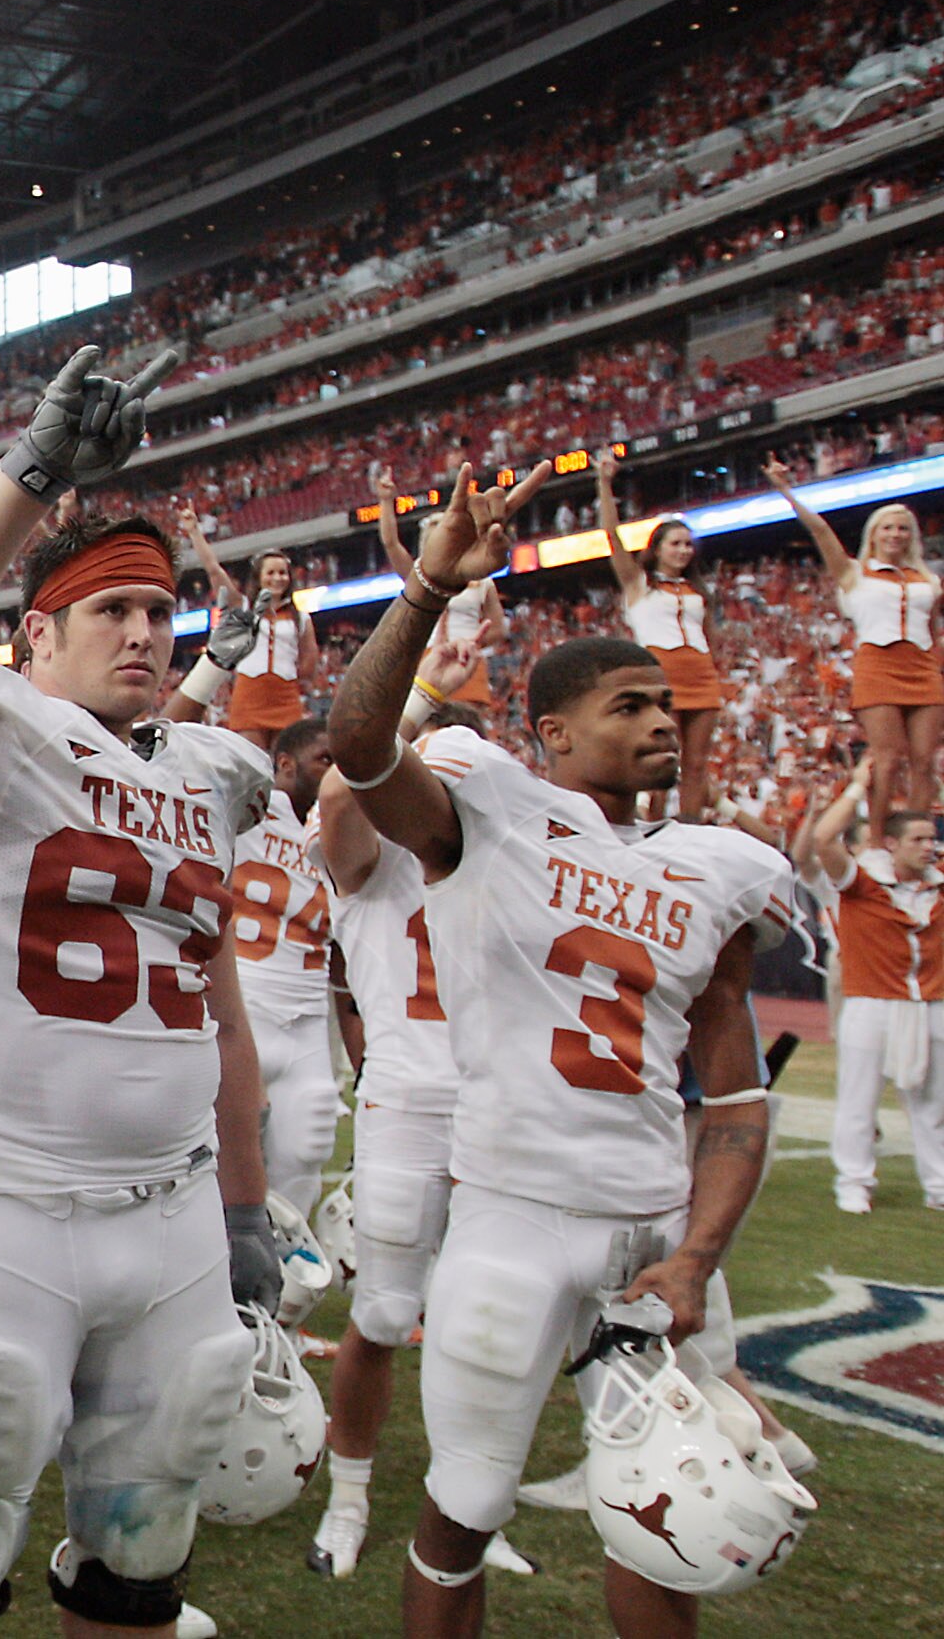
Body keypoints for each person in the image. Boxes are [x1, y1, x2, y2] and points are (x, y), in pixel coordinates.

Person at [0, 338, 297, 1639]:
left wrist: (245, 1199)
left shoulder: (203, 778)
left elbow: (223, 1012)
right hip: (10, 1201)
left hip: (174, 1207)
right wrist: (29, 475)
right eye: (112, 610)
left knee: (144, 1548)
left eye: (159, 610)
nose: (145, 630)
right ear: (37, 631)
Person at [325, 460, 795, 1639]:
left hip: (653, 1225)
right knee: (464, 1508)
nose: (660, 720)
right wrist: (430, 591)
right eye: (629, 705)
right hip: (514, 1217)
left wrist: (697, 1254)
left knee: (670, 1503)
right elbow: (359, 739)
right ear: (552, 731)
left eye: (663, 703)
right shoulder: (491, 811)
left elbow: (735, 1096)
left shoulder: (717, 867)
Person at [300, 674, 531, 1582]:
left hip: (501, 1103)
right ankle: (348, 1501)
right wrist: (422, 695)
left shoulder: (511, 852)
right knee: (384, 1315)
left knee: (490, 1325)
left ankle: (470, 1506)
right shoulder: (367, 858)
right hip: (408, 1101)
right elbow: (336, 792)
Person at [797, 760, 944, 1213]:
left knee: (934, 1104)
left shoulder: (939, 888)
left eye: (933, 838)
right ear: (891, 844)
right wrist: (858, 786)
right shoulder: (862, 885)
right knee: (858, 1100)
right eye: (918, 840)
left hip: (932, 1003)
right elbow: (823, 840)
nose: (930, 846)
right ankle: (854, 1182)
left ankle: (939, 1185)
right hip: (871, 1003)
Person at [774, 447, 941, 824]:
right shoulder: (854, 573)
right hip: (878, 665)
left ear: (912, 536)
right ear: (874, 533)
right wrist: (786, 490)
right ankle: (878, 838)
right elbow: (820, 530)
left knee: (925, 760)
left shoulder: (928, 579)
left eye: (903, 528)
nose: (895, 534)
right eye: (887, 527)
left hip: (922, 668)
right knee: (887, 758)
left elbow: (933, 630)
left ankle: (917, 835)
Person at [221, 718, 338, 1220]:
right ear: (285, 764)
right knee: (213, 1163)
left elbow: (345, 968)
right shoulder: (252, 807)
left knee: (308, 1148)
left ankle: (284, 1265)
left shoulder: (341, 834)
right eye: (325, 759)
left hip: (307, 1018)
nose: (337, 772)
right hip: (242, 1007)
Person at [596, 453, 720, 818]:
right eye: (675, 544)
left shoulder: (698, 590)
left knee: (696, 764)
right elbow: (611, 536)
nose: (683, 551)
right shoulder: (640, 584)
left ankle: (693, 831)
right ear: (658, 548)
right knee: (664, 759)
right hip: (661, 675)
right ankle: (653, 827)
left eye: (687, 544)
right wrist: (604, 483)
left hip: (701, 675)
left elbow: (710, 637)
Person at [378, 463, 502, 710]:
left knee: (468, 722)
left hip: (466, 658)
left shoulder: (482, 582)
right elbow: (391, 543)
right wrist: (385, 501)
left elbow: (497, 629)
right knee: (427, 720)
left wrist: (469, 645)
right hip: (430, 658)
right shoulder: (419, 576)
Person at [179, 508, 303, 752]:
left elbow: (308, 660)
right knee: (252, 761)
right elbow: (214, 571)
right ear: (259, 577)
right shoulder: (243, 607)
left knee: (287, 759)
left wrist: (294, 679)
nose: (277, 578)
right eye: (271, 573)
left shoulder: (300, 616)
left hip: (286, 697)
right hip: (250, 695)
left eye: (282, 573)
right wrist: (194, 532)